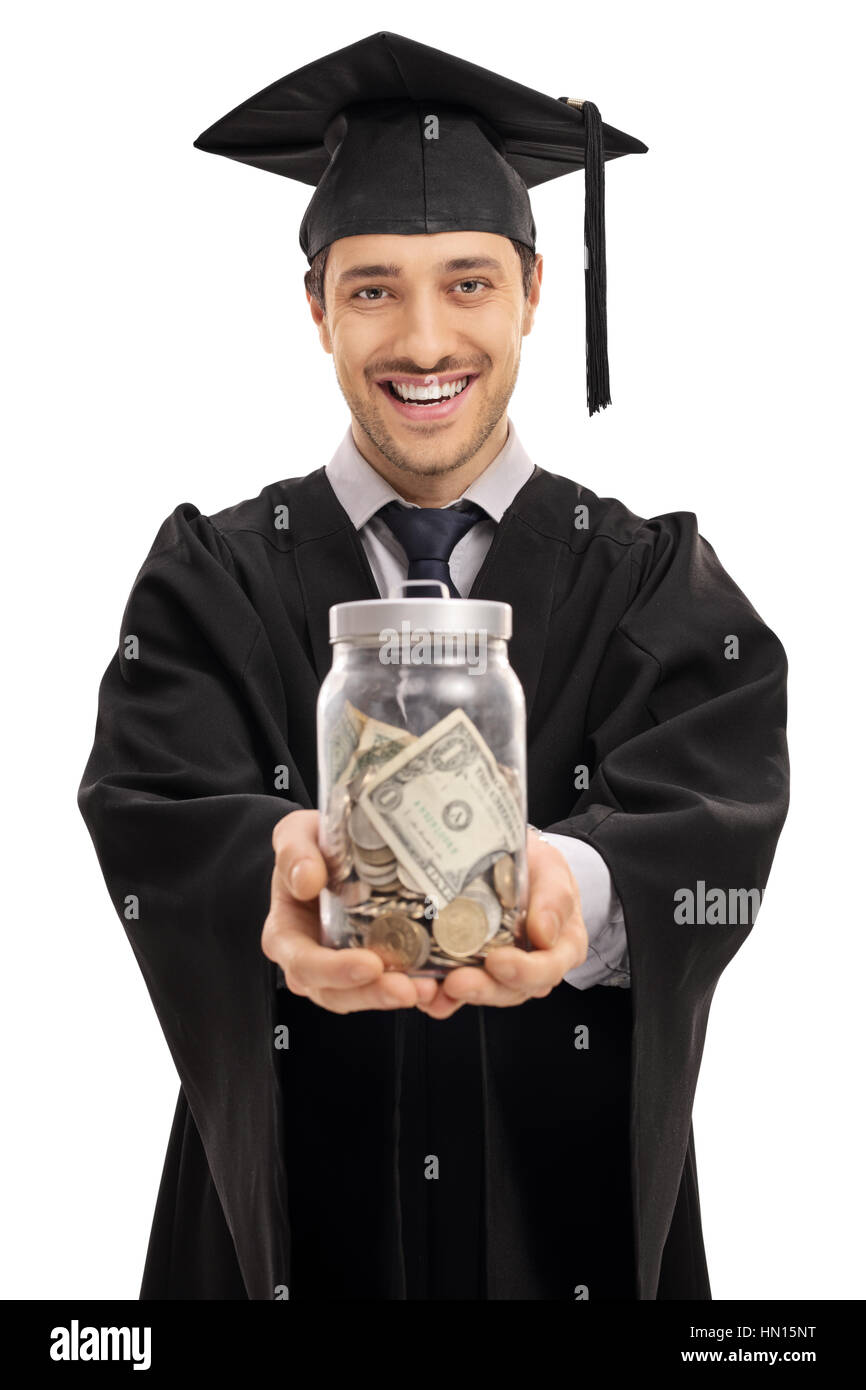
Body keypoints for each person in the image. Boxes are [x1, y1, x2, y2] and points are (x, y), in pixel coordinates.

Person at [78, 32, 789, 1301]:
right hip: (282, 1226)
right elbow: (152, 811)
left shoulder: (645, 578)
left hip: (560, 1216)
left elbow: (715, 818)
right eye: (370, 289)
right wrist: (283, 872)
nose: (421, 341)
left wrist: (570, 885)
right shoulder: (212, 578)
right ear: (313, 307)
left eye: (465, 283)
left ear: (530, 289)